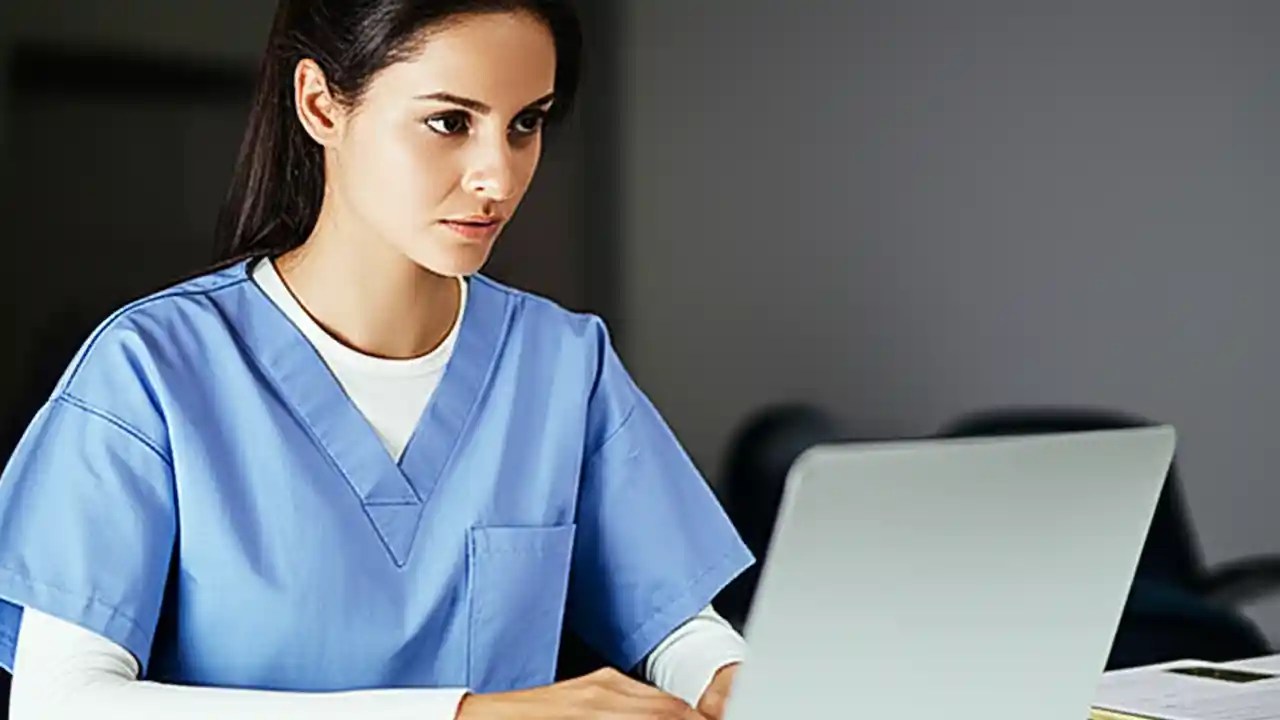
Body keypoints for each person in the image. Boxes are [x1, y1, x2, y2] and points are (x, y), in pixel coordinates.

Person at [0, 1, 754, 718]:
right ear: (322, 105)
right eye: (449, 122)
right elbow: (61, 702)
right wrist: (463, 715)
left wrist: (730, 679)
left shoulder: (561, 364)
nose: (498, 176)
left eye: (526, 124)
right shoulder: (152, 370)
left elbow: (675, 620)